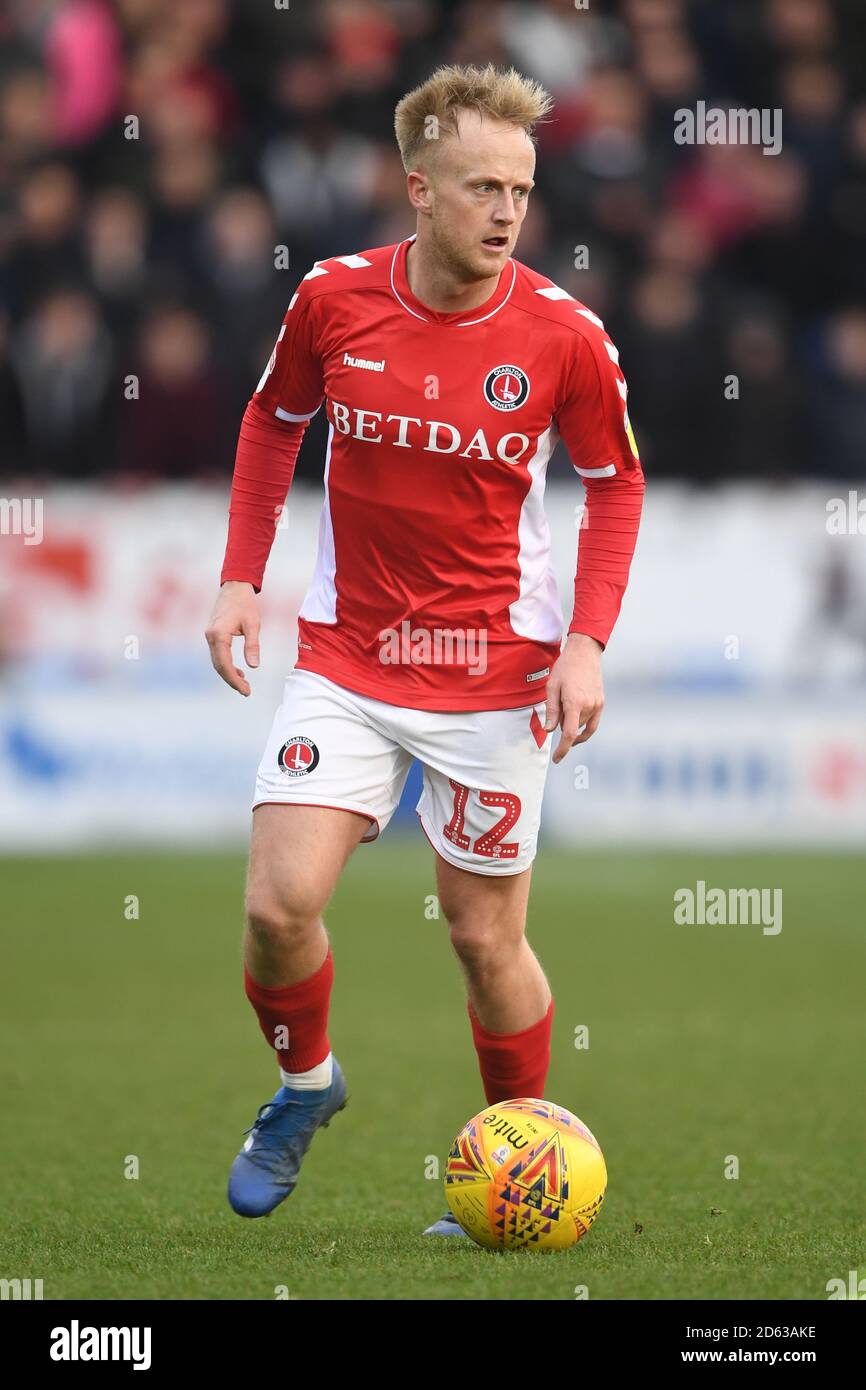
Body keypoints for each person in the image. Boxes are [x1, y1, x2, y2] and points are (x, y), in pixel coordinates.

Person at [205, 63, 644, 1235]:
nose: (506, 211)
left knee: (481, 935)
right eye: (480, 187)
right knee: (276, 906)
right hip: (348, 660)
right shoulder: (333, 299)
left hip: (500, 674)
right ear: (417, 188)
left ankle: (520, 1167)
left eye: (520, 188)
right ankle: (306, 1087)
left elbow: (614, 483)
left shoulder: (561, 334)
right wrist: (240, 580)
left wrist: (585, 642)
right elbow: (271, 421)